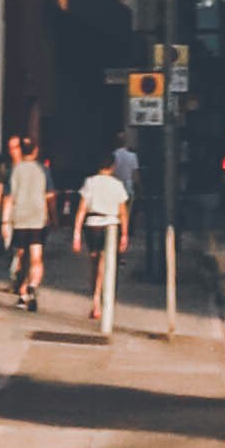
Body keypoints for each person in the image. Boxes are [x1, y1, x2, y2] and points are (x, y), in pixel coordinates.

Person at [74, 137, 133, 340]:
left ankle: (96, 298)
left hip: (92, 226)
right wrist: (125, 234)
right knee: (105, 265)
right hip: (111, 226)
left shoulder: (89, 182)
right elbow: (123, 212)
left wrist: (76, 233)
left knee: (95, 263)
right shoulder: (117, 185)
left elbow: (81, 209)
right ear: (113, 166)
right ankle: (99, 299)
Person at [0, 127, 51, 310]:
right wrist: (52, 216)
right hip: (37, 218)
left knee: (20, 255)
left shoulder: (16, 171)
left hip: (19, 218)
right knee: (36, 257)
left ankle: (21, 293)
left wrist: (5, 221)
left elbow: (9, 197)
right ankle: (32, 286)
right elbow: (49, 195)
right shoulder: (43, 170)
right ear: (35, 151)